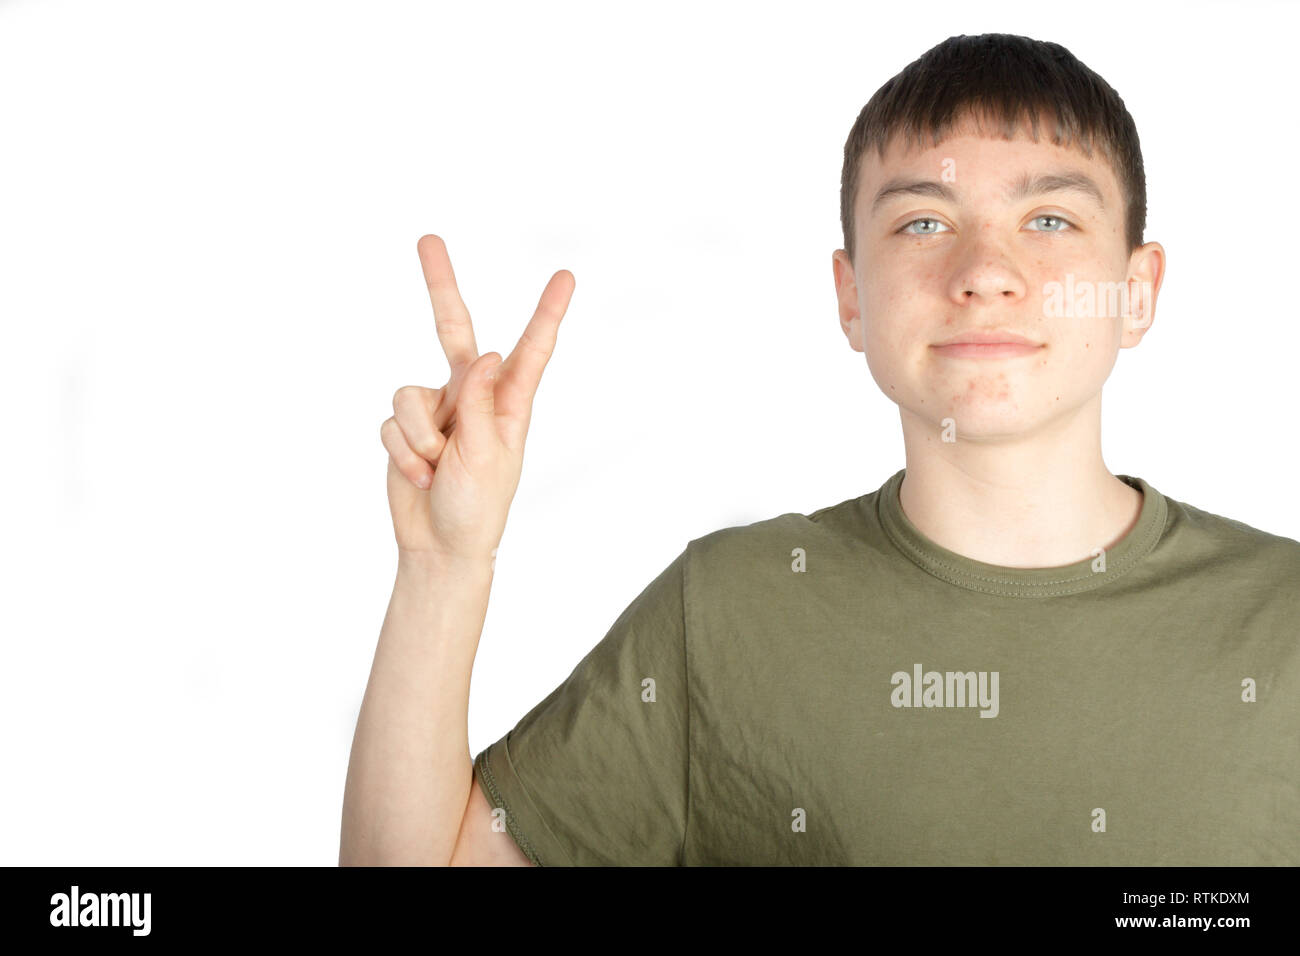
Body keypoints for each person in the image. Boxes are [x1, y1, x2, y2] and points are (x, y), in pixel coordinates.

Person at [339, 33, 1300, 866]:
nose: (986, 273)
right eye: (924, 222)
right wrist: (442, 564)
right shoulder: (728, 614)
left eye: (1049, 219)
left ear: (1138, 290)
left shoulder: (1282, 621)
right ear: (851, 297)